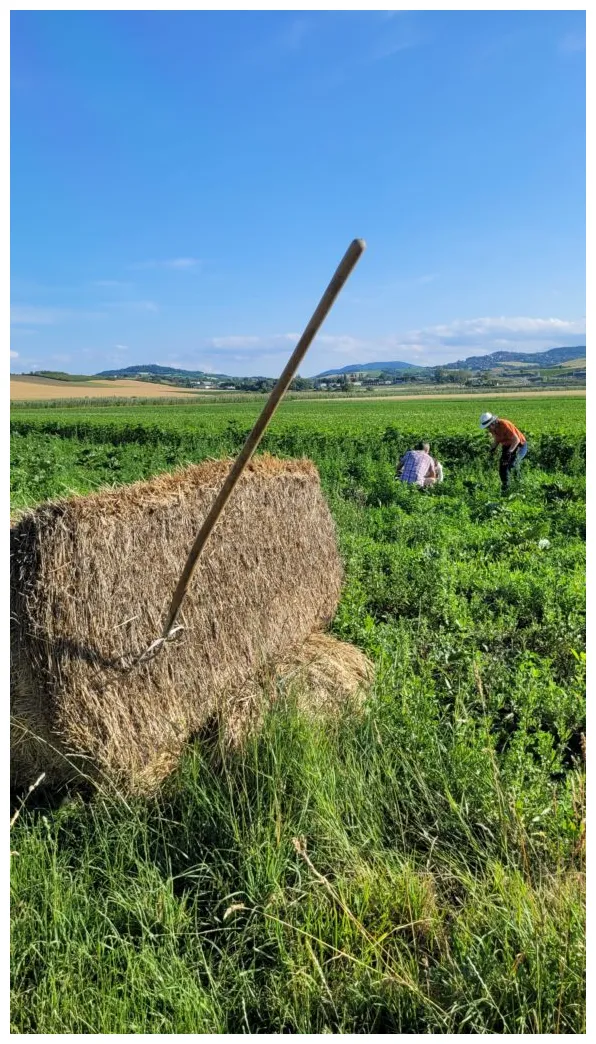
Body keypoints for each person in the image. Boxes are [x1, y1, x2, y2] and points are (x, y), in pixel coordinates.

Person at [480, 412, 527, 493]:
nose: (489, 429)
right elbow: (497, 439)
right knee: (503, 468)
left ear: (493, 422)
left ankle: (520, 486)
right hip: (507, 446)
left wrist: (509, 453)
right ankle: (505, 488)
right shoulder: (492, 429)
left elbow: (516, 440)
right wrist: (492, 449)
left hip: (519, 445)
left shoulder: (505, 424)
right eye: (487, 427)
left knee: (513, 464)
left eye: (489, 426)